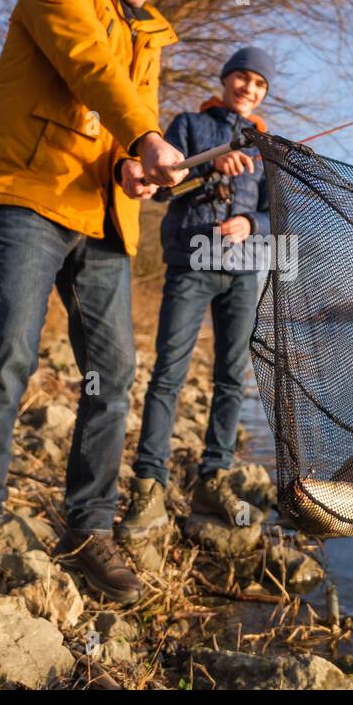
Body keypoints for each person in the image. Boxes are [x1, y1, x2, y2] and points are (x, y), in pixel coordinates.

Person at [0, 0, 189, 606]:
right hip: (28, 194)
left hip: (103, 217)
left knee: (114, 374)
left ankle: (86, 532)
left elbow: (126, 117)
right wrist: (145, 134)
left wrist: (131, 170)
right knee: (10, 353)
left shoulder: (151, 34)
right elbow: (87, 63)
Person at [118, 47, 276, 540]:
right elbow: (162, 189)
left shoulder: (266, 148)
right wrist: (210, 167)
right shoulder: (188, 124)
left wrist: (250, 222)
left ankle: (214, 477)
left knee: (231, 377)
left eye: (259, 84)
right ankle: (148, 485)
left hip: (245, 271)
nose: (249, 89)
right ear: (226, 79)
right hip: (192, 262)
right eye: (242, 78)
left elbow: (277, 216)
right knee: (169, 373)